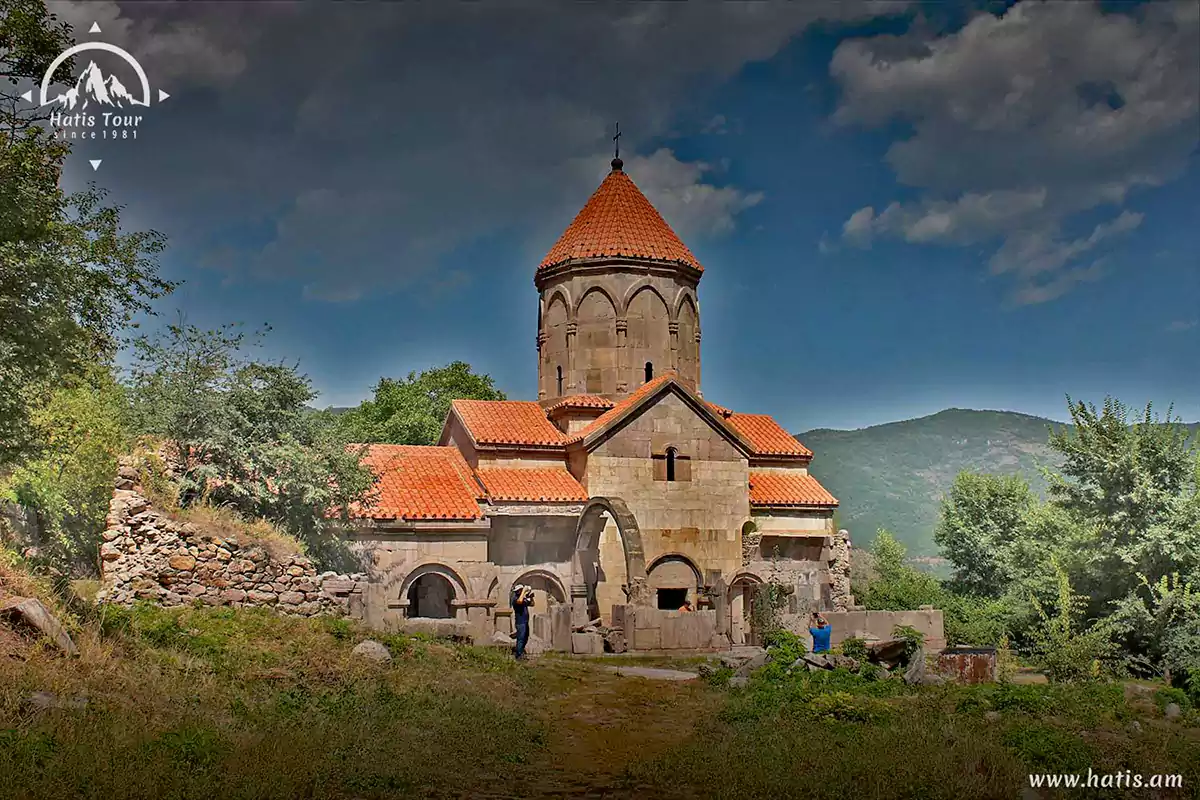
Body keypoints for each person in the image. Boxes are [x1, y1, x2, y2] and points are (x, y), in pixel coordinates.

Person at [511, 583, 534, 660]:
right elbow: (520, 601)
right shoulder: (515, 599)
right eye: (519, 590)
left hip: (525, 622)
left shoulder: (523, 598)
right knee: (520, 638)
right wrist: (524, 590)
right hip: (520, 622)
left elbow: (532, 604)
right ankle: (518, 655)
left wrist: (530, 597)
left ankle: (521, 652)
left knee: (525, 638)